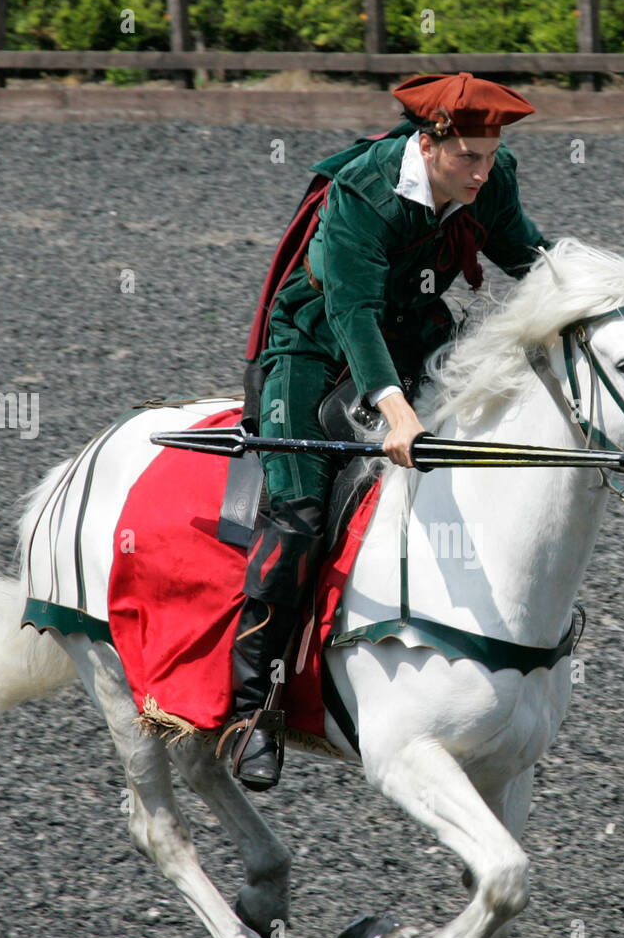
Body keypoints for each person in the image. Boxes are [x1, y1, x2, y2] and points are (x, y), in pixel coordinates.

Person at [222, 71, 552, 790]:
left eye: (489, 158)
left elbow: (526, 255)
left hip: (418, 336)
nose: (481, 172)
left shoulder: (488, 176)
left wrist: (597, 299)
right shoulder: (362, 193)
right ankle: (255, 708)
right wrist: (396, 409)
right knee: (302, 511)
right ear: (427, 144)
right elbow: (353, 314)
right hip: (315, 344)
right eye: (467, 157)